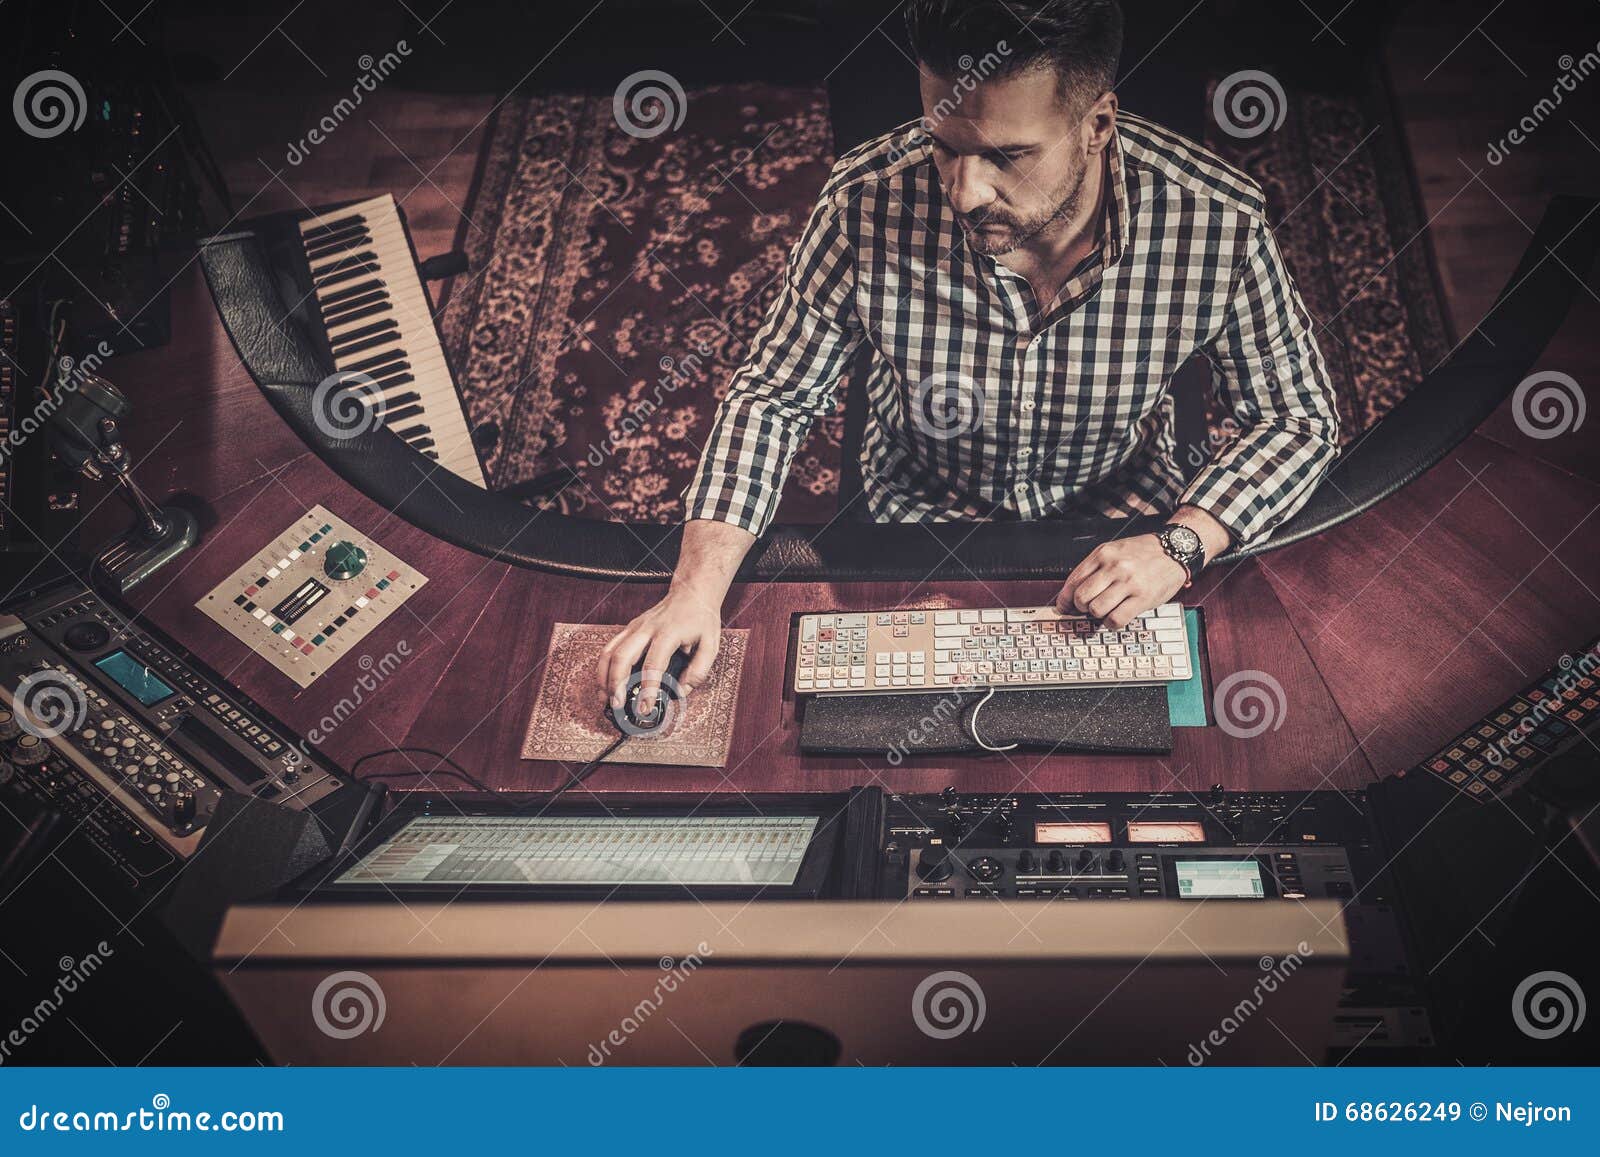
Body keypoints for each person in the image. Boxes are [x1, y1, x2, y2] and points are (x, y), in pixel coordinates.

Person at [598, 0, 1339, 715]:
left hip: (1123, 518)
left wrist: (1182, 541)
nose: (964, 190)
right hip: (914, 517)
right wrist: (694, 592)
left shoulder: (1217, 223)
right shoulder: (861, 206)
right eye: (945, 144)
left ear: (1097, 126)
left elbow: (1299, 419)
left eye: (1006, 156)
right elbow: (773, 395)